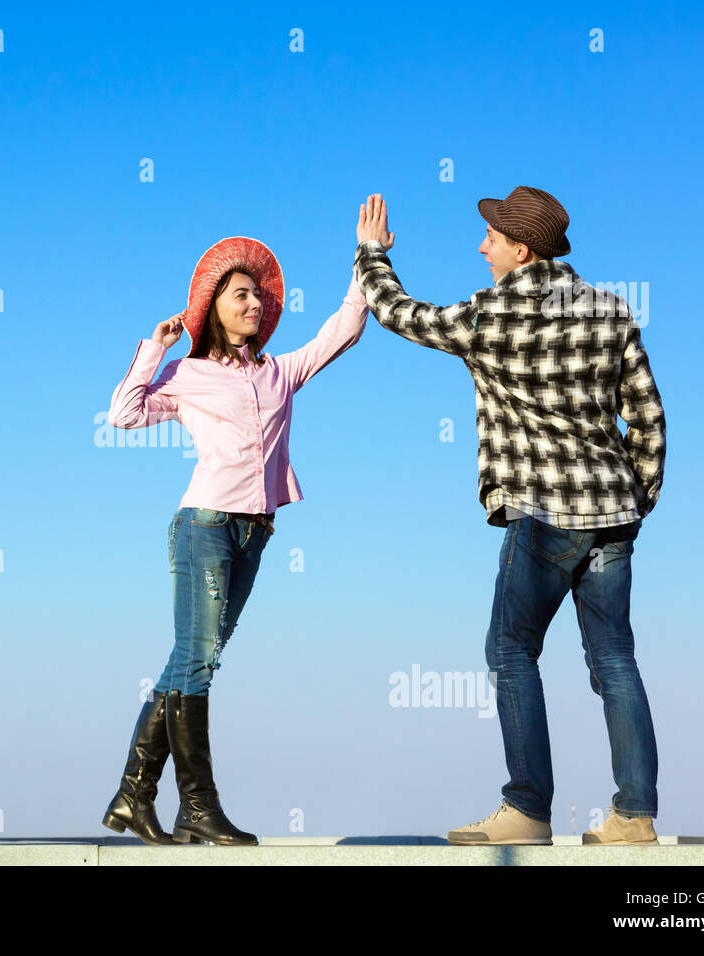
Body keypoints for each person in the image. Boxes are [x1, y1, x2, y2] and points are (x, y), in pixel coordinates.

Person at [353, 187, 667, 846]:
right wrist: (638, 500)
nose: (481, 246)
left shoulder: (494, 314)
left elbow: (404, 316)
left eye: (490, 237)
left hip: (545, 511)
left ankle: (527, 808)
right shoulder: (609, 309)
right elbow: (647, 414)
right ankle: (634, 816)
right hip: (611, 511)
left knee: (509, 650)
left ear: (520, 250)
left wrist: (372, 254)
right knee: (614, 659)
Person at [101, 201, 380, 845]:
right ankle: (198, 806)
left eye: (258, 295)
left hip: (254, 534)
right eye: (241, 294)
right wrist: (155, 347)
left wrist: (368, 258)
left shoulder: (280, 373)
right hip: (203, 526)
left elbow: (342, 330)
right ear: (215, 307)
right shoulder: (189, 374)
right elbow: (123, 413)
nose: (254, 304)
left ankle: (132, 794)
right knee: (196, 661)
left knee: (192, 660)